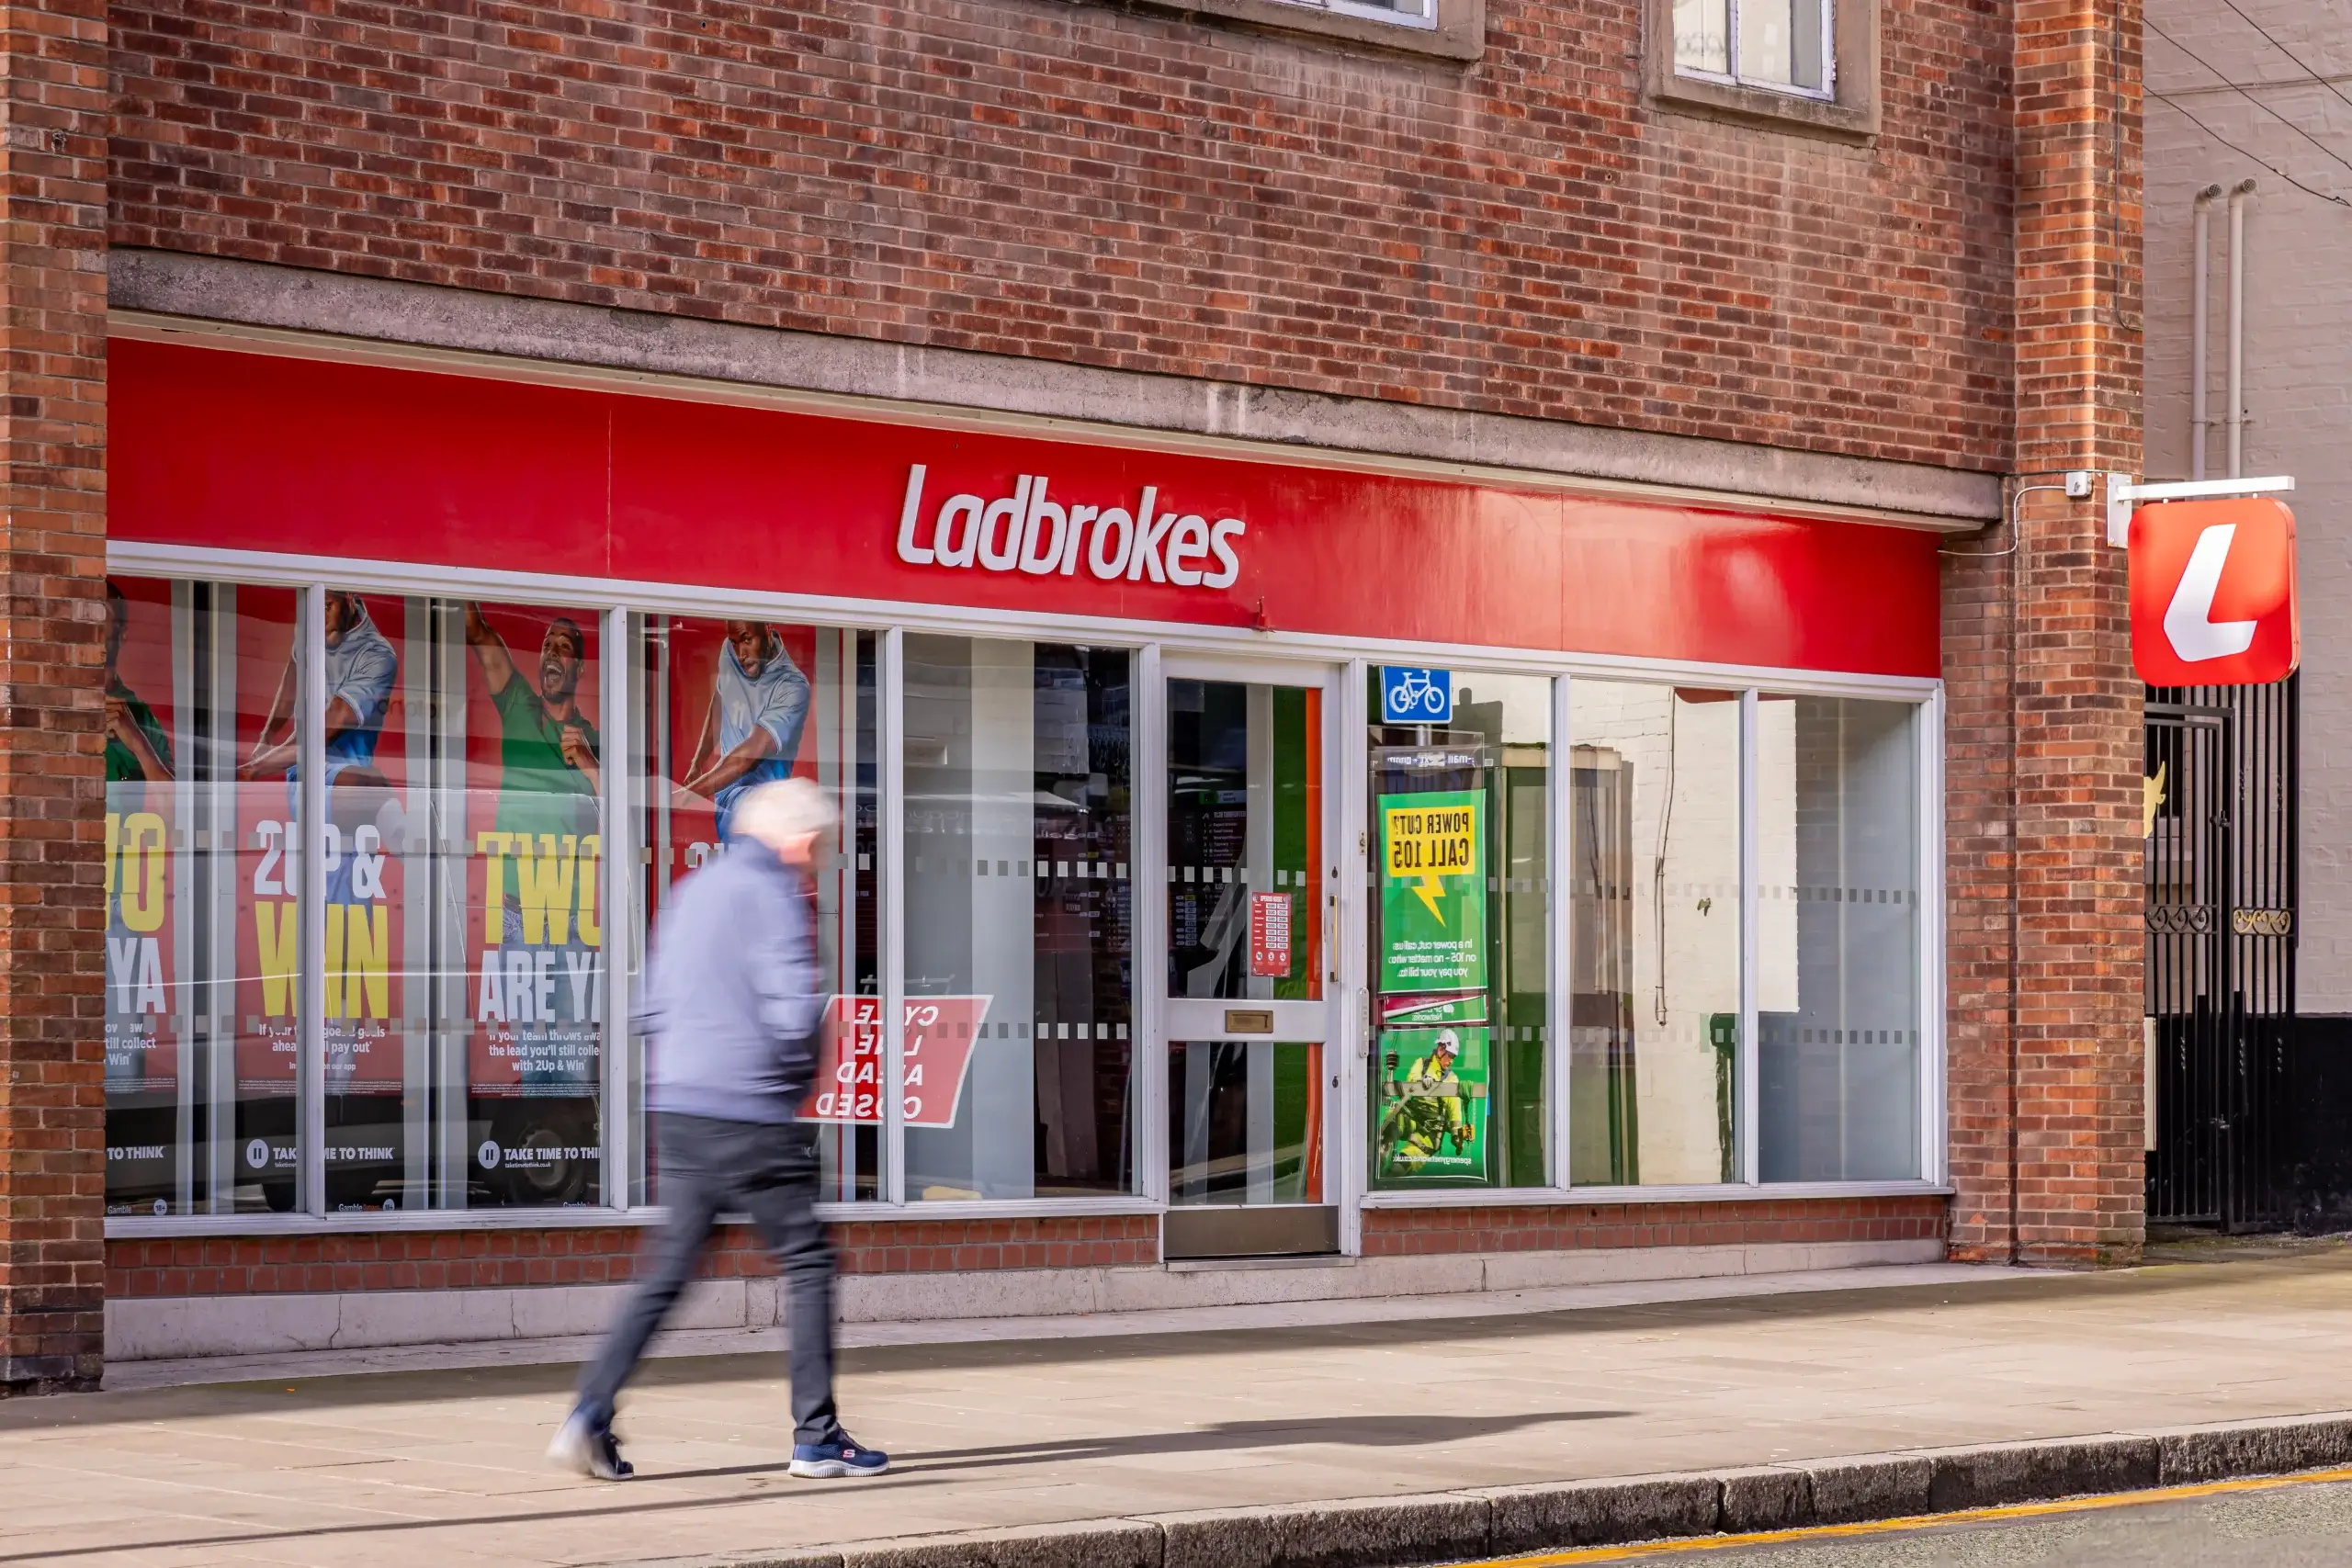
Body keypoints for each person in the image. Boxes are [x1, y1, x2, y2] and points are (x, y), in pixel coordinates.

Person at [548, 777, 887, 1483]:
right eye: (819, 847)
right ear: (797, 839)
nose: (817, 861)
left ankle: (588, 1410)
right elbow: (795, 1009)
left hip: (683, 1108)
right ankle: (817, 1436)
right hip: (752, 1109)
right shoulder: (771, 894)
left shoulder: (693, 890)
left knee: (668, 1272)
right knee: (809, 1261)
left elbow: (649, 1007)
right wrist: (793, 1083)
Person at [681, 621, 811, 840]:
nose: (740, 653)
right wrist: (697, 763)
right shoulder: (729, 650)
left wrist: (685, 796)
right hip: (730, 801)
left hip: (768, 805)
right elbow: (721, 702)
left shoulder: (793, 686)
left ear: (767, 631)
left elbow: (748, 757)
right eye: (734, 642)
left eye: (747, 640)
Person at [104, 582, 174, 787]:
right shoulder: (49, 705)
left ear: (121, 633)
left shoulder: (140, 717)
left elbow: (172, 812)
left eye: (100, 612)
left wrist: (137, 744)